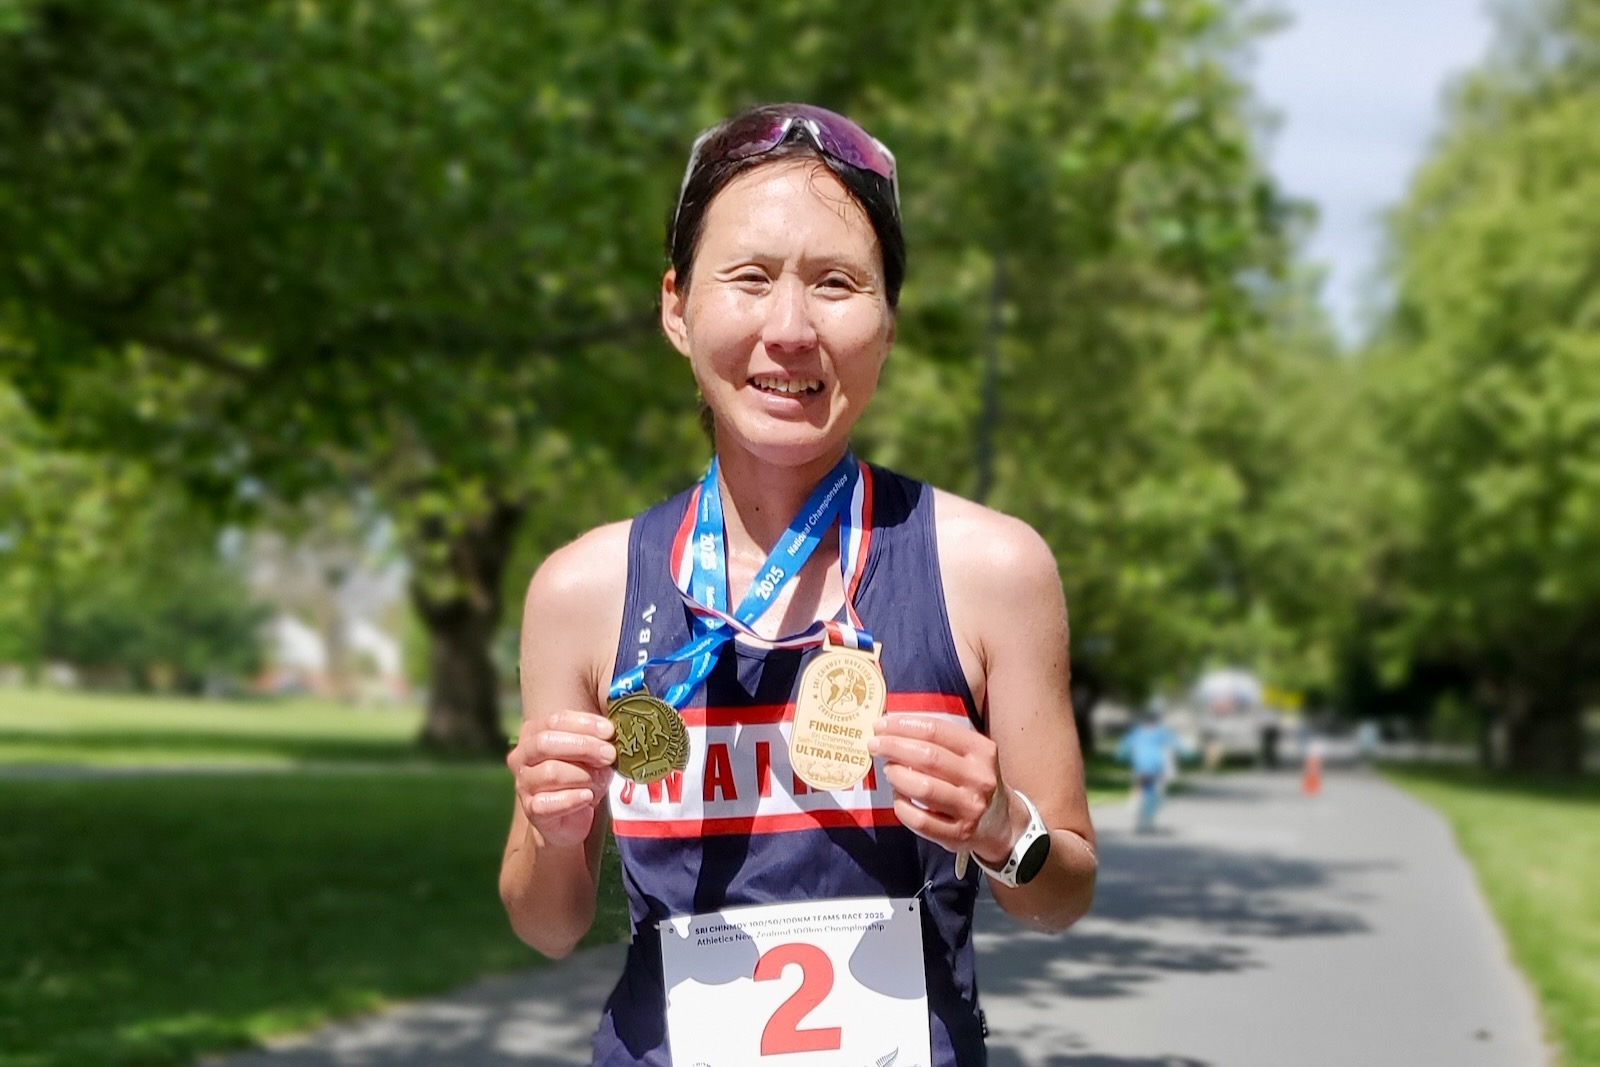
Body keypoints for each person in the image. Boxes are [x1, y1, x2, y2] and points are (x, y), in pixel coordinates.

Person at [500, 103, 1097, 1067]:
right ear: (675, 307)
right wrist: (553, 828)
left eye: (836, 283)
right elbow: (547, 923)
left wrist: (1000, 826)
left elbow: (1060, 894)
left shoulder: (993, 569)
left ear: (888, 323)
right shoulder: (581, 590)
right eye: (749, 277)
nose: (790, 329)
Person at [1116, 708, 1181, 832]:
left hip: (1141, 766)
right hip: (1156, 767)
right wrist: (1187, 755)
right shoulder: (1161, 732)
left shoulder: (1137, 732)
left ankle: (1140, 817)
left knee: (1140, 790)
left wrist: (1120, 757)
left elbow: (1124, 746)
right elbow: (1175, 744)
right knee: (1153, 793)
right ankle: (1147, 819)